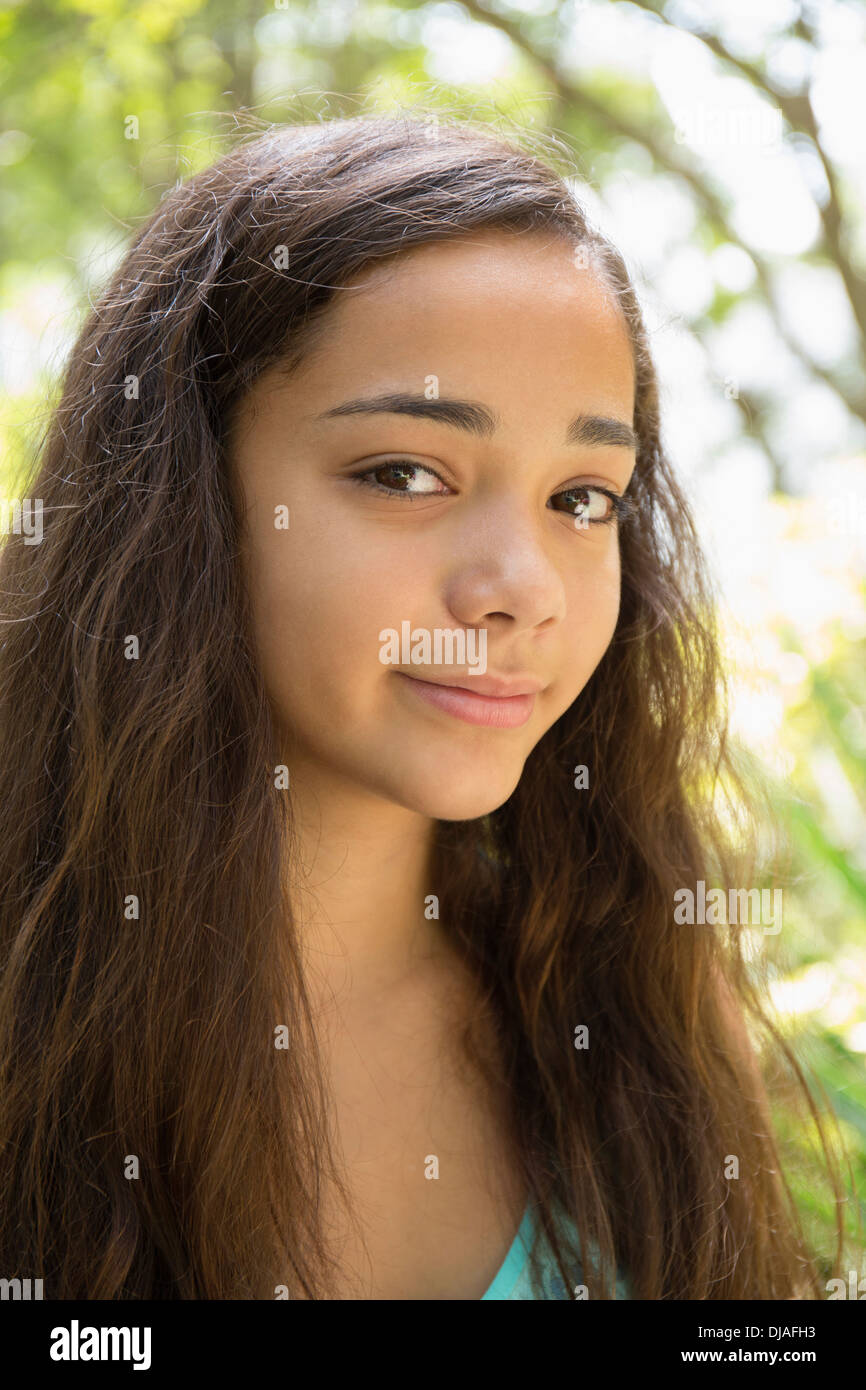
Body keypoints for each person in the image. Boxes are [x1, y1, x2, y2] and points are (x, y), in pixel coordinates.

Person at [0, 110, 849, 1299]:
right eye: (404, 473)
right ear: (181, 499)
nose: (522, 589)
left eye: (583, 498)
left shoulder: (638, 1001)